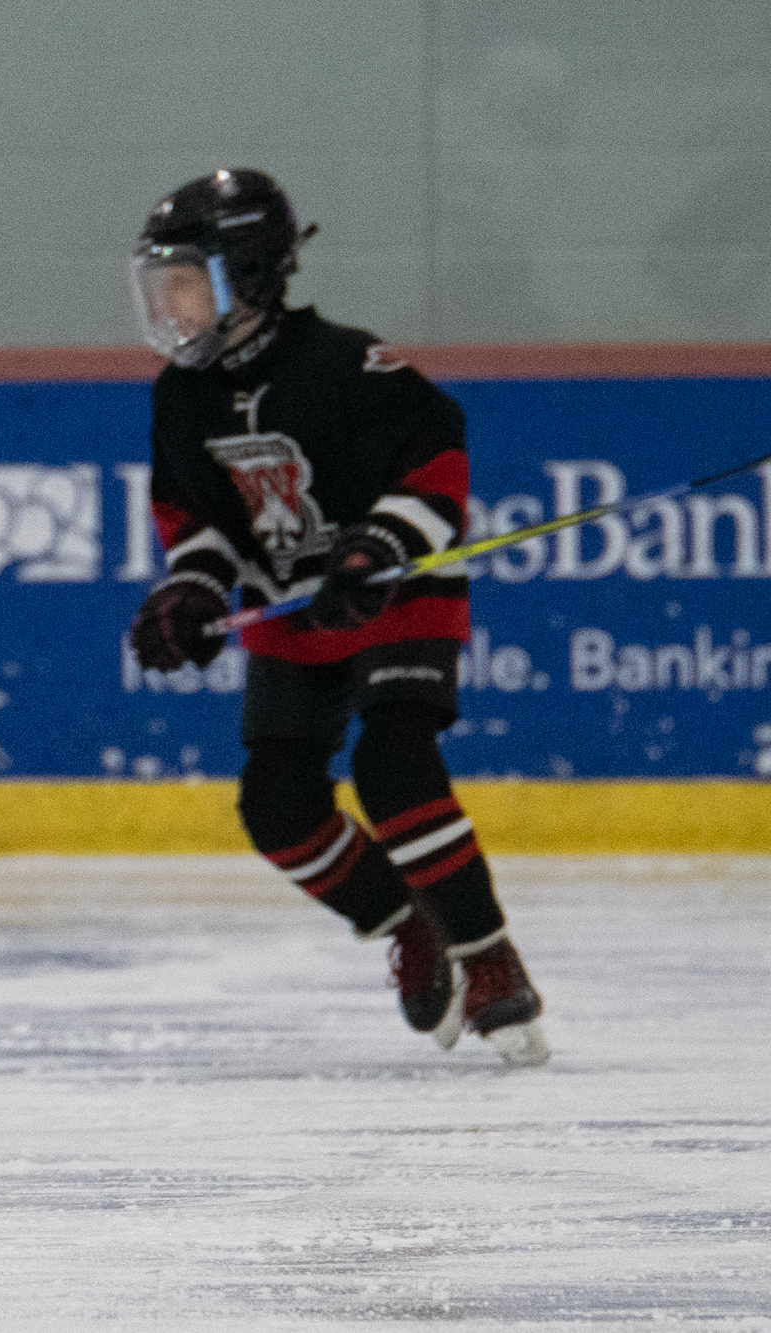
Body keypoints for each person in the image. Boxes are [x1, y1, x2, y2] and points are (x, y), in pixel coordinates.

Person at [125, 168, 548, 1067]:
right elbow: (192, 519)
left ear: (248, 273)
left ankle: (487, 952)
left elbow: (436, 464)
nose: (170, 304)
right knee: (277, 807)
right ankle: (410, 923)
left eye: (185, 281)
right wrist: (194, 589)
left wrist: (377, 546)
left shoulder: (347, 365)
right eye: (161, 285)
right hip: (293, 611)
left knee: (393, 766)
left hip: (393, 597)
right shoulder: (179, 397)